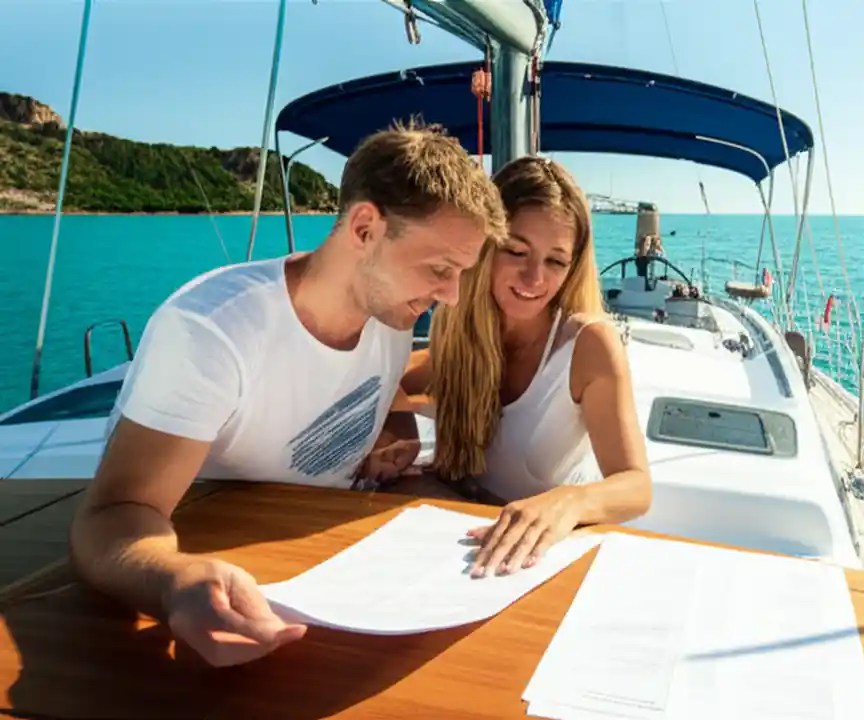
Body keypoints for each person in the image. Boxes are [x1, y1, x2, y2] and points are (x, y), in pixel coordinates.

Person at [68, 122, 507, 668]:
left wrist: (394, 427)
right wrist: (173, 582)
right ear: (365, 228)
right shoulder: (213, 333)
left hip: (337, 560)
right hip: (231, 567)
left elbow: (377, 383)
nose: (452, 296)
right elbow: (112, 514)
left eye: (461, 273)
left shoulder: (390, 314)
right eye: (441, 269)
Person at [399, 156, 652, 578]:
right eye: (516, 250)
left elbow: (636, 486)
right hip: (462, 546)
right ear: (484, 247)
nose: (534, 277)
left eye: (555, 261)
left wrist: (568, 501)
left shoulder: (589, 344)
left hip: (542, 563)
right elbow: (382, 387)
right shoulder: (460, 333)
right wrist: (395, 443)